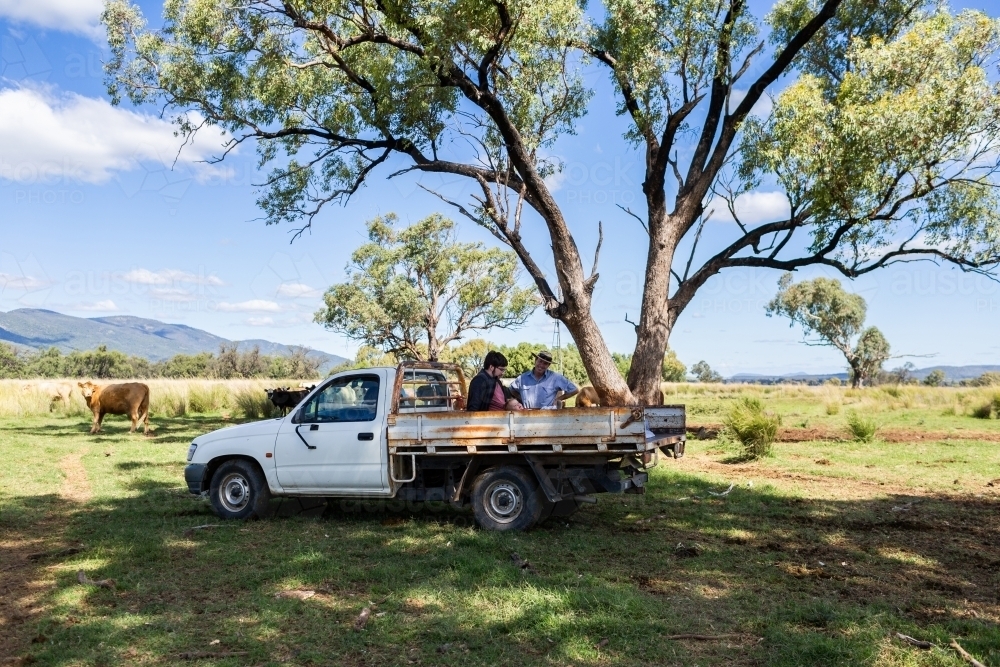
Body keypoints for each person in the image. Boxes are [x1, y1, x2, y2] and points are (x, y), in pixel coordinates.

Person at [509, 350, 579, 409]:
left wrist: (558, 399)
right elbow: (511, 389)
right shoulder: (522, 378)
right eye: (540, 361)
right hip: (527, 416)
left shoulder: (555, 378)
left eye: (545, 363)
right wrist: (522, 399)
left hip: (547, 417)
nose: (541, 365)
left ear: (548, 365)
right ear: (535, 360)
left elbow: (574, 390)